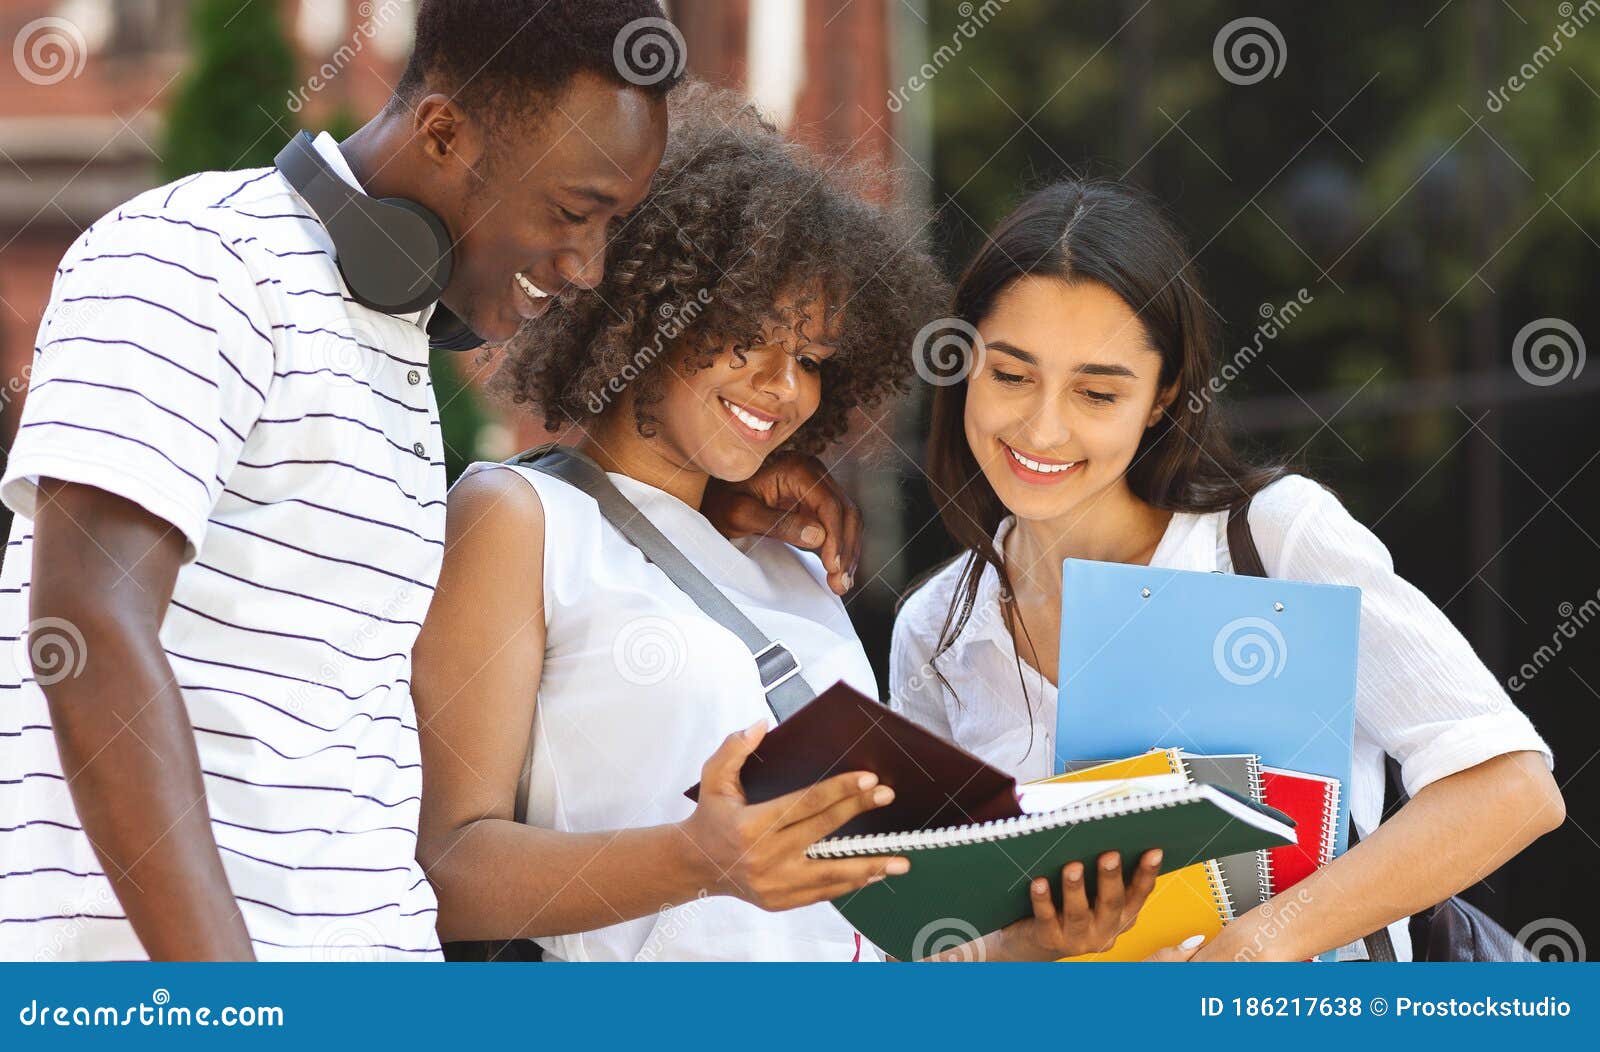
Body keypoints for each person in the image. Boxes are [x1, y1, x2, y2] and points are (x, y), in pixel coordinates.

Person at [0, 1, 858, 963]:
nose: (588, 266)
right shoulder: (194, 257)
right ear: (444, 132)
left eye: (614, 224)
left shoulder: (394, 354)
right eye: (574, 213)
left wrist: (696, 515)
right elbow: (89, 630)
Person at [412, 86, 1167, 962]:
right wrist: (695, 860)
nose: (784, 386)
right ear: (643, 311)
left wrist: (1026, 945)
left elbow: (860, 923)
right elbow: (444, 871)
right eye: (747, 337)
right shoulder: (515, 518)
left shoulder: (790, 559)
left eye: (811, 358)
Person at [889, 178, 1566, 962]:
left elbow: (1511, 788)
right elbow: (935, 960)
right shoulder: (938, 629)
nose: (1043, 427)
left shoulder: (1269, 542)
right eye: (1010, 376)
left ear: (1162, 395)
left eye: (1098, 392)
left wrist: (1258, 944)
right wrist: (1034, 945)